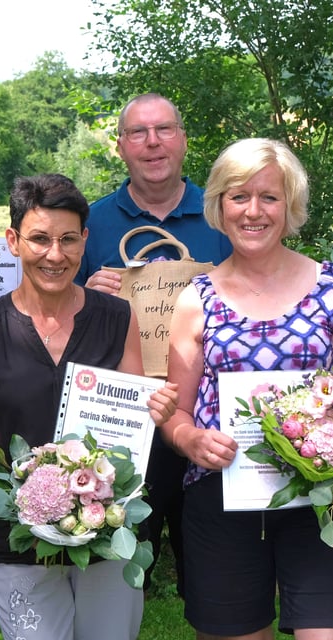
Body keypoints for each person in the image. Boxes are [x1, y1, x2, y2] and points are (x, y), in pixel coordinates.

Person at [0, 173, 178, 640]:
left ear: (84, 242)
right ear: (13, 241)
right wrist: (23, 504)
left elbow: (130, 423)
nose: (55, 254)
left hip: (103, 529)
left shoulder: (118, 318)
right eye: (40, 239)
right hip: (19, 540)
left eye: (68, 239)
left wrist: (153, 412)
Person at [163, 138, 333, 640]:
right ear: (219, 206)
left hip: (318, 499)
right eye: (238, 197)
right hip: (224, 491)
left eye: (269, 198)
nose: (253, 211)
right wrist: (190, 442)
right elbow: (175, 413)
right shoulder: (195, 300)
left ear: (291, 206)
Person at [78, 93, 233, 598]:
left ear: (183, 140)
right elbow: (52, 312)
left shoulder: (223, 217)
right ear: (120, 147)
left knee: (216, 584)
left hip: (208, 418)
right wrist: (84, 295)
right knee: (117, 585)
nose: (152, 143)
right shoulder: (90, 222)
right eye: (138, 133)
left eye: (164, 129)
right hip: (123, 419)